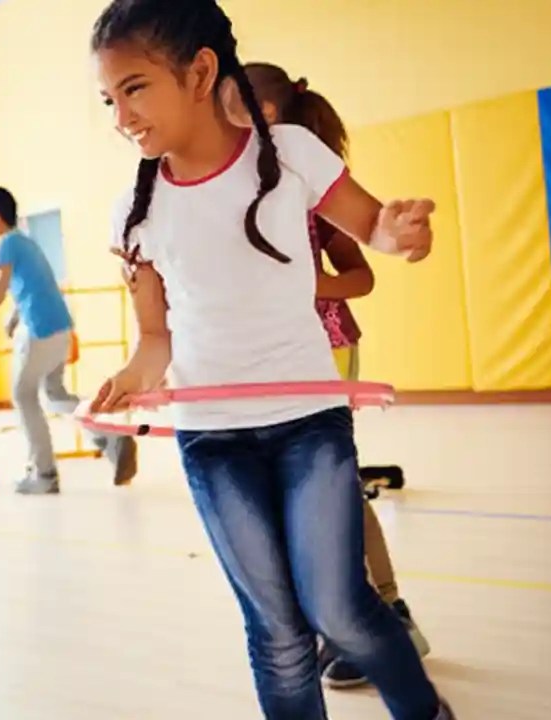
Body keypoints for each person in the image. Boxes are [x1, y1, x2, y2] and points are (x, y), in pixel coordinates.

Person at [88, 1, 454, 718]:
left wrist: (402, 233)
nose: (120, 116)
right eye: (108, 98)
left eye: (134, 89)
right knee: (278, 634)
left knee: (340, 609)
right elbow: (157, 338)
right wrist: (132, 377)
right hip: (211, 438)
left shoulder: (287, 153)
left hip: (307, 421)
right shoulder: (134, 211)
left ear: (198, 72)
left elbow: (373, 225)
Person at [243, 61, 432, 689]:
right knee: (290, 497)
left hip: (325, 347)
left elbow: (362, 275)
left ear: (263, 113)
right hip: (266, 358)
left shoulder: (308, 184)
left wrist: (305, 285)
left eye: (226, 102)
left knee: (333, 485)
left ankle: (389, 610)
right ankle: (337, 619)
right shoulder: (229, 188)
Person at [0, 187, 138, 494]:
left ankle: (45, 474)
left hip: (41, 329)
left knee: (23, 396)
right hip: (59, 326)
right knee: (54, 393)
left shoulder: (7, 243)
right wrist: (13, 318)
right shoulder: (26, 242)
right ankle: (111, 438)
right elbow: (33, 285)